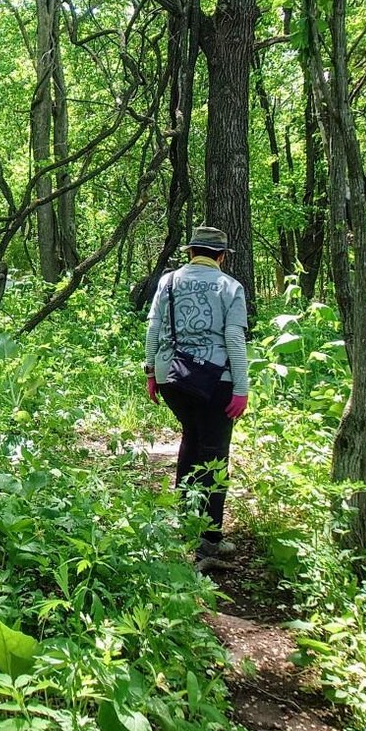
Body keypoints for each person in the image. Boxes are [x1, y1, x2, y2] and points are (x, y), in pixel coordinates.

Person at [144, 225, 250, 567]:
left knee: (191, 437)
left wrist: (150, 373)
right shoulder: (230, 287)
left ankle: (186, 522)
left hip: (171, 376)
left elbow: (153, 327)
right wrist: (241, 388)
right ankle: (209, 543)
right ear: (220, 256)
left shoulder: (168, 281)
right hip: (215, 380)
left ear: (191, 252)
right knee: (215, 454)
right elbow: (234, 339)